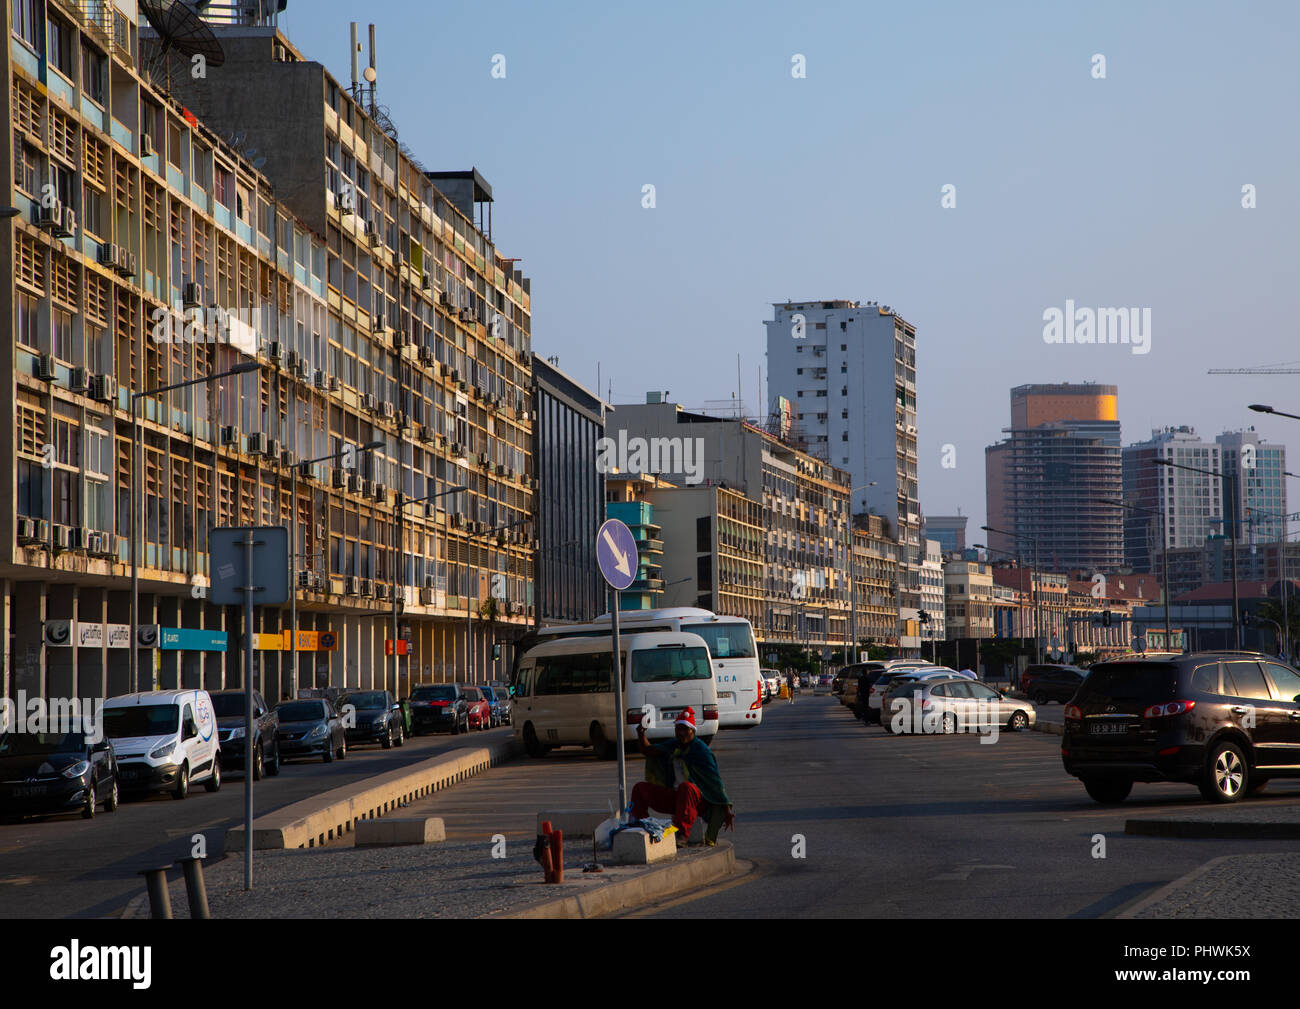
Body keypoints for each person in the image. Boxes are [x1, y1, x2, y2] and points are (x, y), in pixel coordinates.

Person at [631, 708, 734, 847]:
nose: (681, 733)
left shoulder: (701, 751)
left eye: (685, 729)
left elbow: (715, 781)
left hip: (698, 801)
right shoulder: (674, 745)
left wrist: (726, 808)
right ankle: (641, 827)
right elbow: (648, 750)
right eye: (678, 729)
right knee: (640, 789)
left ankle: (681, 835)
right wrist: (641, 733)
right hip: (675, 797)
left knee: (686, 787)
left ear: (693, 731)